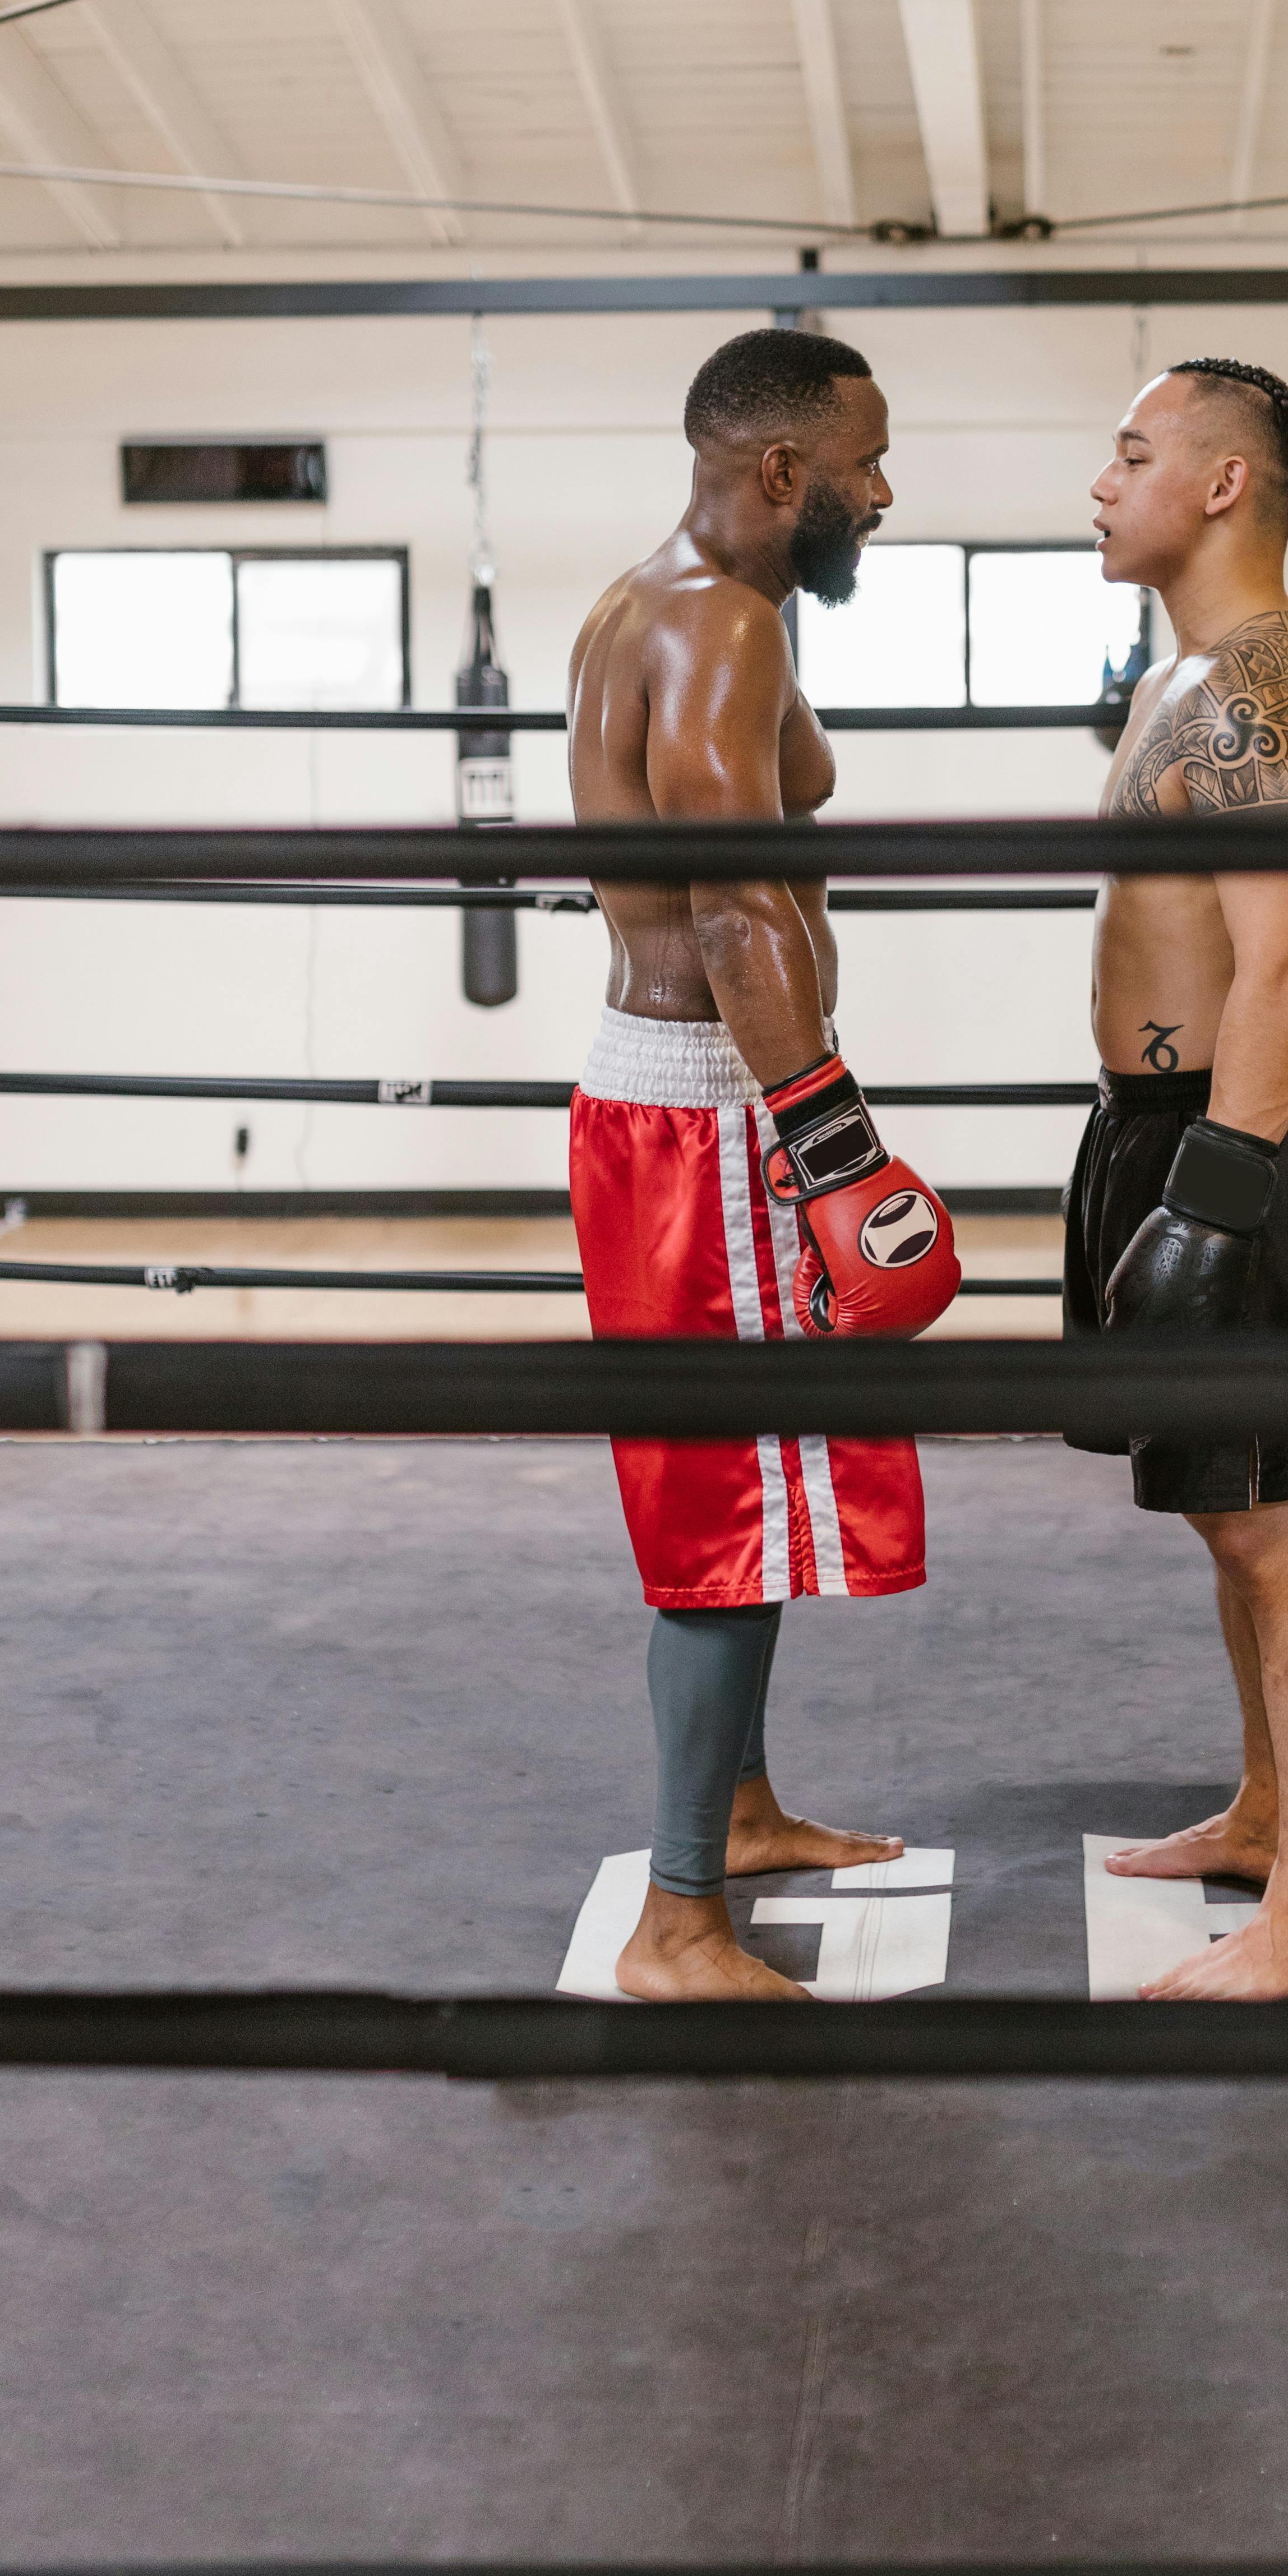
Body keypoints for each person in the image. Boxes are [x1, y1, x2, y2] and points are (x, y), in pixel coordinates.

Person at [567, 326, 962, 2002]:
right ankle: (679, 1926)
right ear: (783, 470)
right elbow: (734, 904)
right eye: (864, 464)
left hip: (690, 1113)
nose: (884, 492)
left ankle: (739, 1811)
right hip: (713, 1119)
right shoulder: (717, 623)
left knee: (759, 1496)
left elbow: (769, 825)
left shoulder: (681, 602)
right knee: (729, 1512)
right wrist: (828, 1143)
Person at [1064, 357, 1288, 2001]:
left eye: (1132, 456)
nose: (1101, 486)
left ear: (1223, 486)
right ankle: (1267, 1812)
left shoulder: (1264, 686)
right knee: (1224, 1518)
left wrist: (1220, 1194)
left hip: (1226, 1145)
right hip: (1151, 1131)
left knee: (1282, 1533)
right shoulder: (1177, 678)